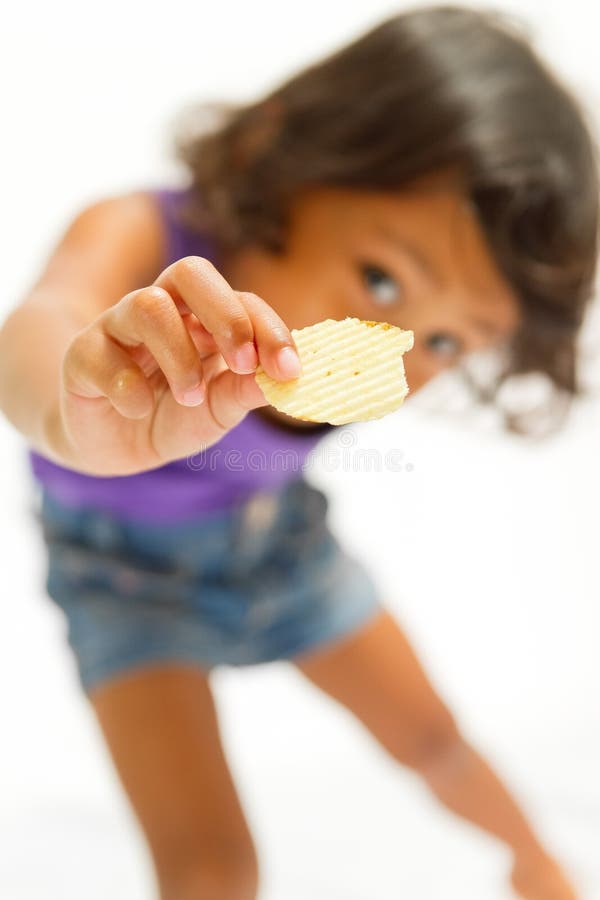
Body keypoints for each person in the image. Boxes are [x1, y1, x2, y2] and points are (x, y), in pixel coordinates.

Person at [0, 6, 597, 900]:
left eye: (446, 342)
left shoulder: (359, 365)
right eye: (384, 282)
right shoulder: (138, 235)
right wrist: (74, 406)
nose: (400, 350)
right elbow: (35, 332)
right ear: (270, 157)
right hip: (125, 584)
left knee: (436, 741)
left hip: (285, 546)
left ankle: (543, 867)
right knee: (212, 865)